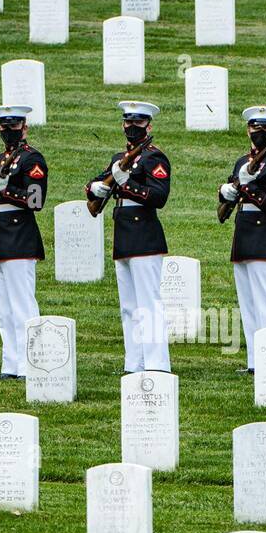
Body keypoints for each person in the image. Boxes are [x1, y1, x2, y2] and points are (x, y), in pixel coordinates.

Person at [85, 101, 172, 373]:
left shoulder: (154, 158)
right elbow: (93, 185)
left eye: (138, 122)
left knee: (149, 304)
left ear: (149, 125)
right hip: (123, 235)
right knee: (129, 307)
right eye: (128, 122)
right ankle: (134, 363)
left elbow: (159, 197)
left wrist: (127, 183)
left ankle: (157, 364)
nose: (132, 127)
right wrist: (97, 188)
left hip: (145, 236)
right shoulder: (117, 159)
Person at [0, 105, 48, 380]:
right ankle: (11, 365)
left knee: (23, 306)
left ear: (25, 128)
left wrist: (6, 189)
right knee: (5, 310)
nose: (9, 132)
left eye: (14, 127)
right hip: (1, 235)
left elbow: (36, 200)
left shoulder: (32, 159)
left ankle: (31, 364)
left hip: (20, 235)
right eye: (4, 127)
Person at [219, 105, 266, 374]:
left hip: (264, 237)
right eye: (255, 127)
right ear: (248, 129)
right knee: (248, 306)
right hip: (244, 236)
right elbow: (231, 195)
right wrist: (226, 192)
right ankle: (254, 363)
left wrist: (247, 185)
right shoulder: (241, 162)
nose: (260, 132)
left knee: (265, 303)